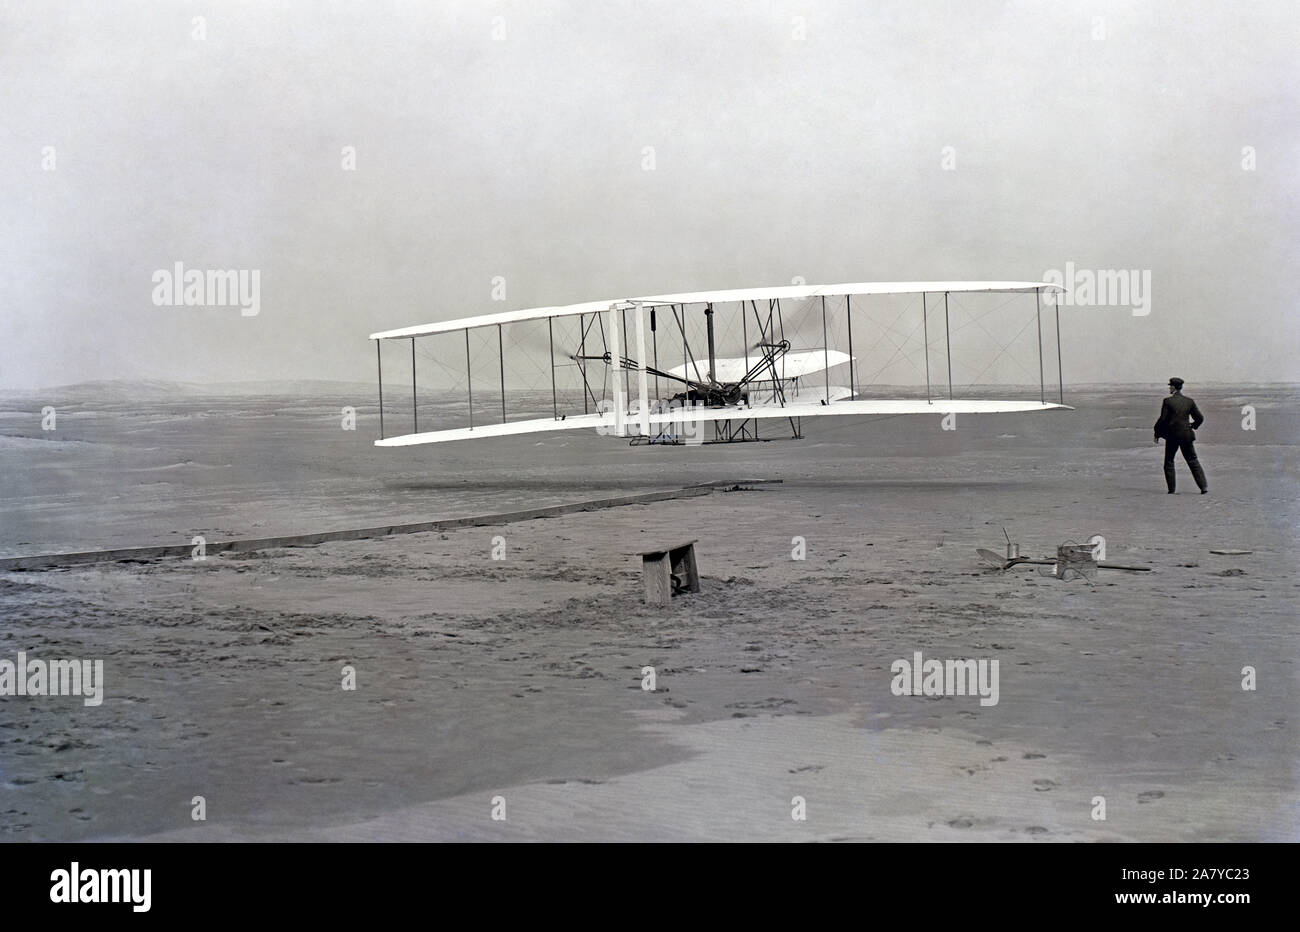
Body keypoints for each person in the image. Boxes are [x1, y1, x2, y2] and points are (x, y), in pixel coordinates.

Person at [1153, 377, 1207, 494]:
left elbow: (1163, 419)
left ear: (1173, 387)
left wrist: (1157, 432)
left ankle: (1171, 490)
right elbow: (1200, 418)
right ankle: (1204, 487)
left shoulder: (1167, 401)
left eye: (1170, 386)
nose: (1169, 388)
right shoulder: (1189, 401)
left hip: (1172, 436)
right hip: (1187, 435)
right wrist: (1193, 426)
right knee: (1193, 461)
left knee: (1169, 462)